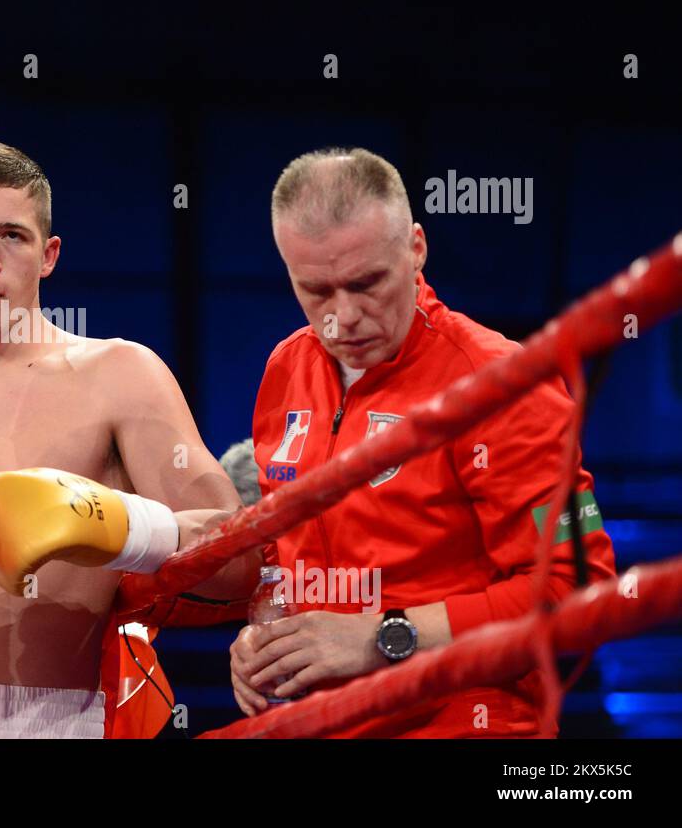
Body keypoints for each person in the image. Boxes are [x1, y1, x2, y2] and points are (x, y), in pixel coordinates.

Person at [230, 147, 616, 737]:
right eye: (316, 291)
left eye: (366, 283)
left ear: (416, 248)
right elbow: (284, 553)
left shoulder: (502, 383)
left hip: (464, 719)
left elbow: (576, 592)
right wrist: (265, 632)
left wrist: (386, 635)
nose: (343, 318)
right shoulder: (286, 367)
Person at [0, 141, 255, 739]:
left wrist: (116, 524)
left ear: (49, 256)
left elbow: (239, 559)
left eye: (13, 236)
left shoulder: (118, 375)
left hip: (47, 720)